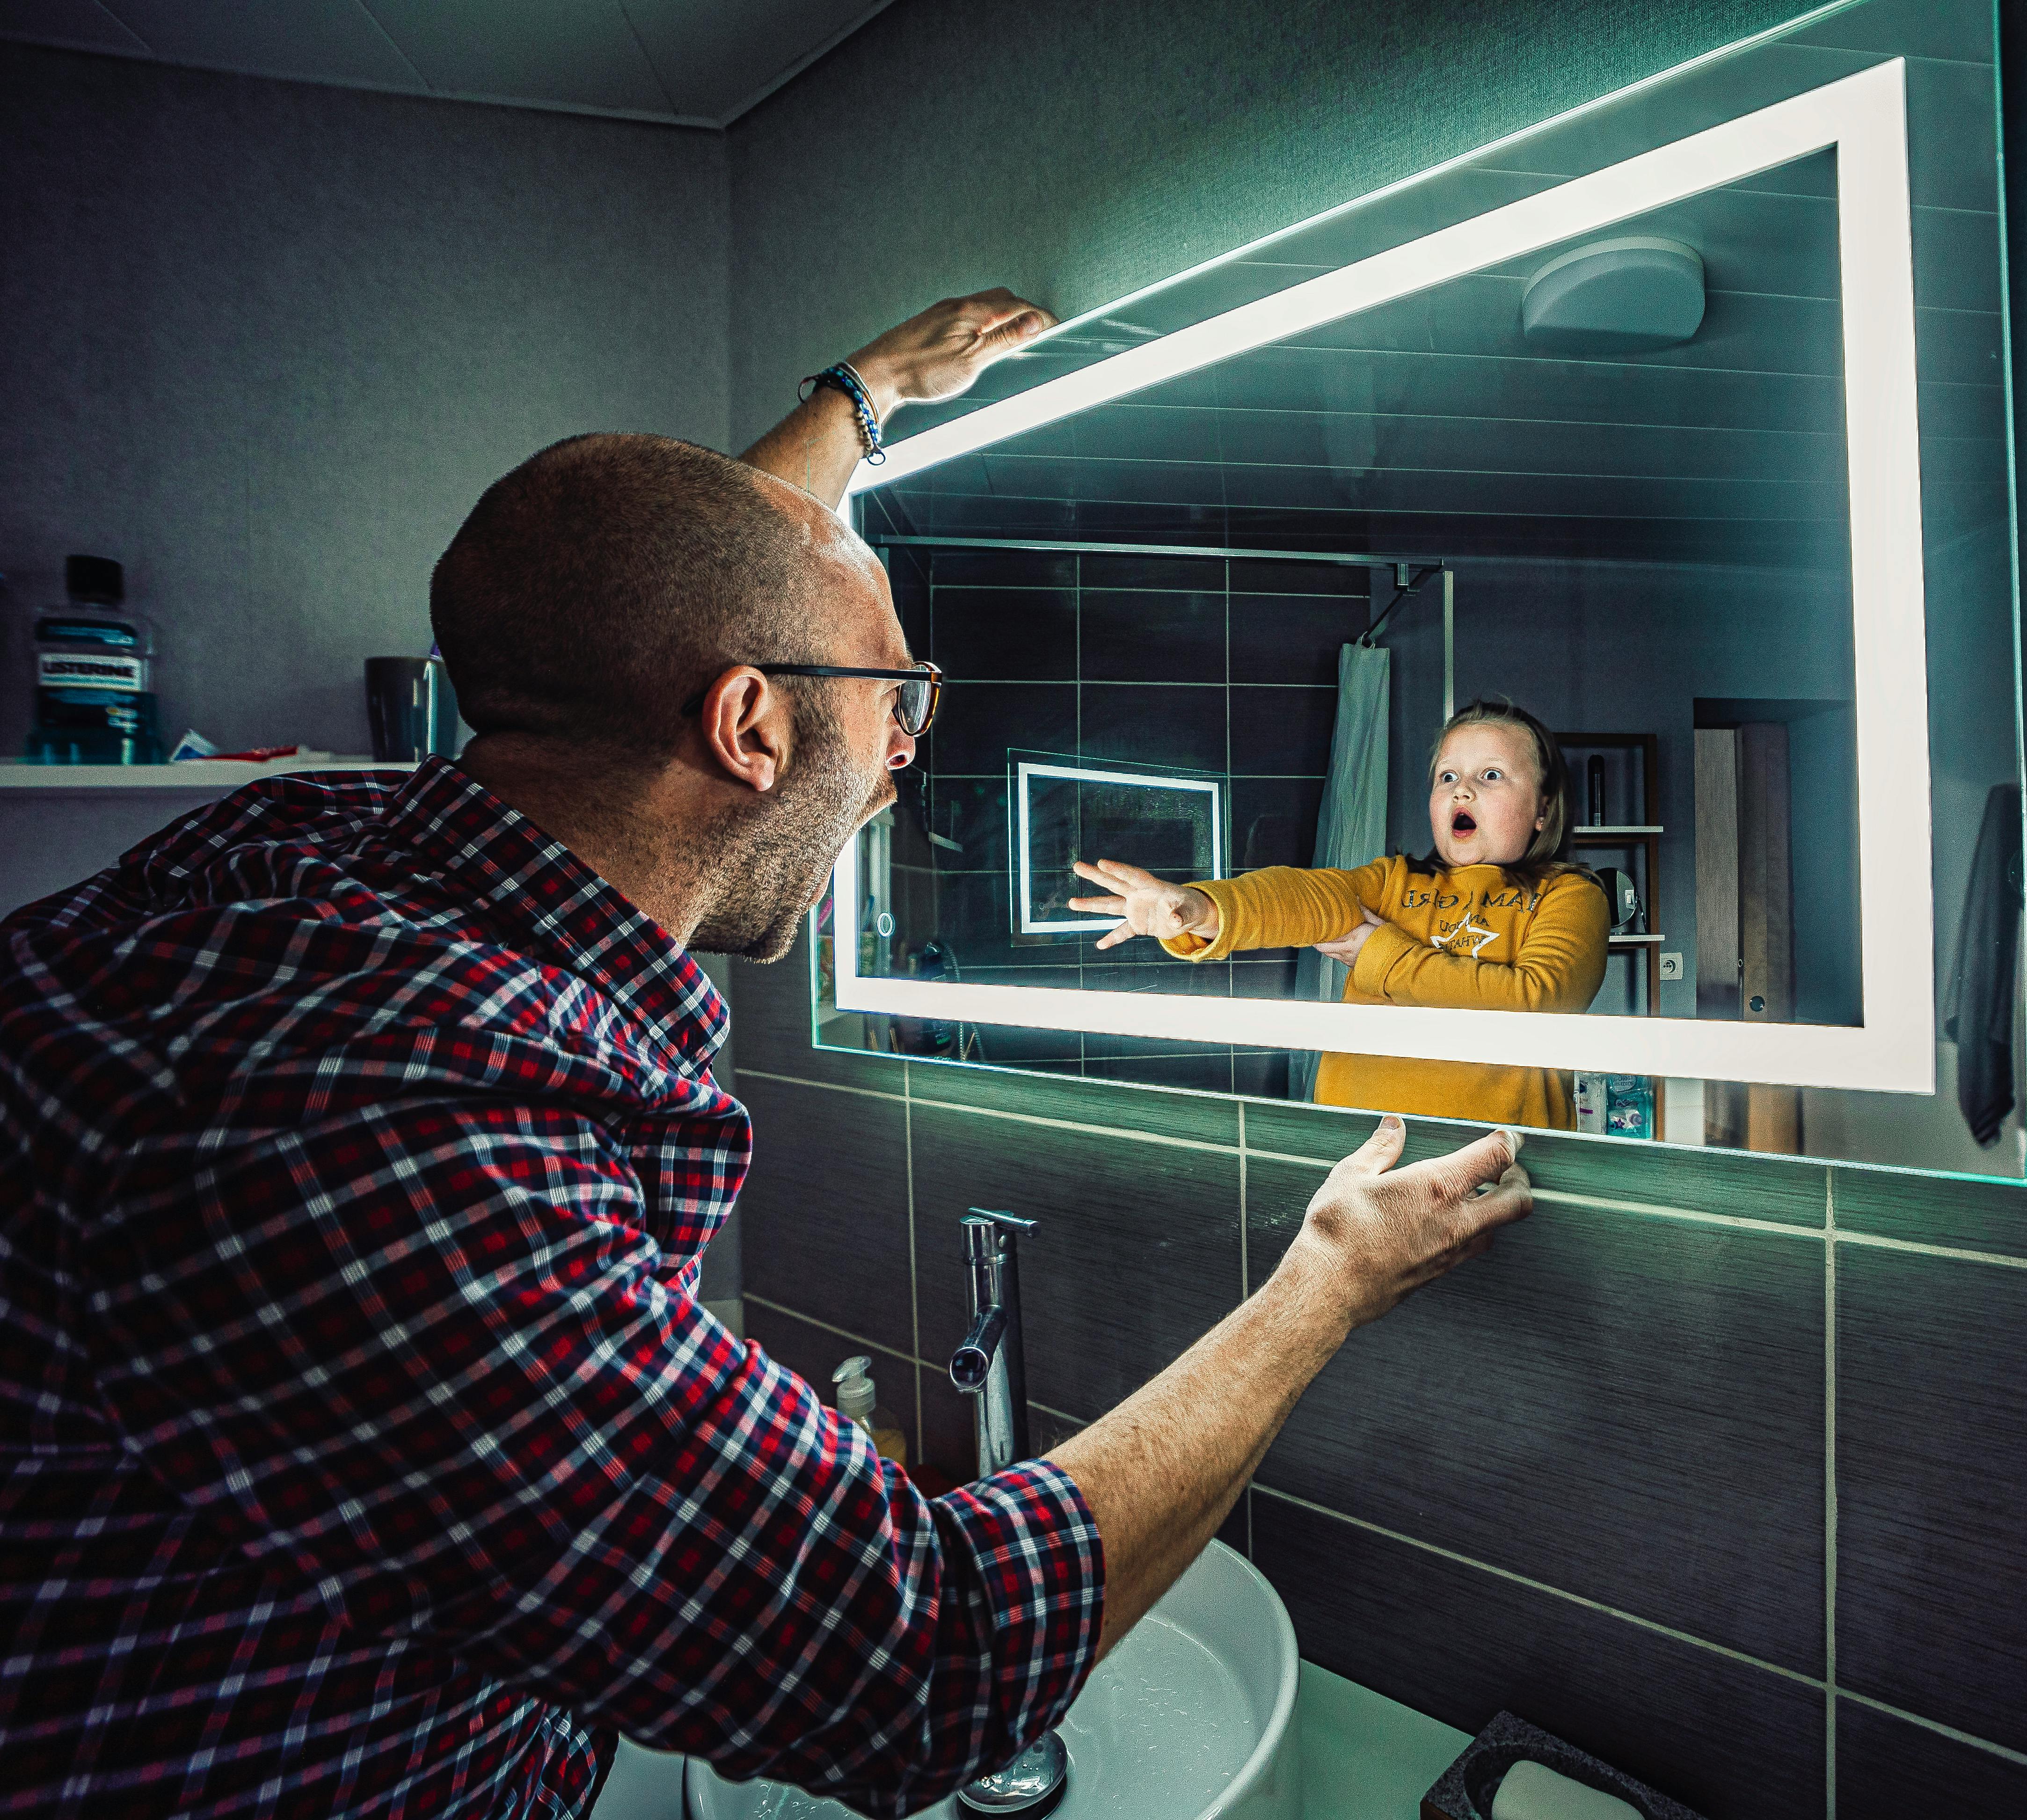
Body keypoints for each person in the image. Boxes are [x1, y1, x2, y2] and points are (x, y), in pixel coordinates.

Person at [0, 290, 1532, 1820]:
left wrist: (855, 402)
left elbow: (644, 609)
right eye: (899, 693)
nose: (910, 744)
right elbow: (927, 1659)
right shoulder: (400, 1141)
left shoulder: (299, 861)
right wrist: (1325, 1275)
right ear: (747, 729)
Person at [1070, 701, 1612, 1128]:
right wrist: (1201, 907)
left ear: (1543, 809)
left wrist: (1380, 954)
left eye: (1491, 775)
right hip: (1363, 1147)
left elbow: (1533, 1002)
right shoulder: (1393, 881)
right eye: (1447, 777)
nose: (1462, 788)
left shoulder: (1570, 895)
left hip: (1493, 1158)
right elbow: (1303, 897)